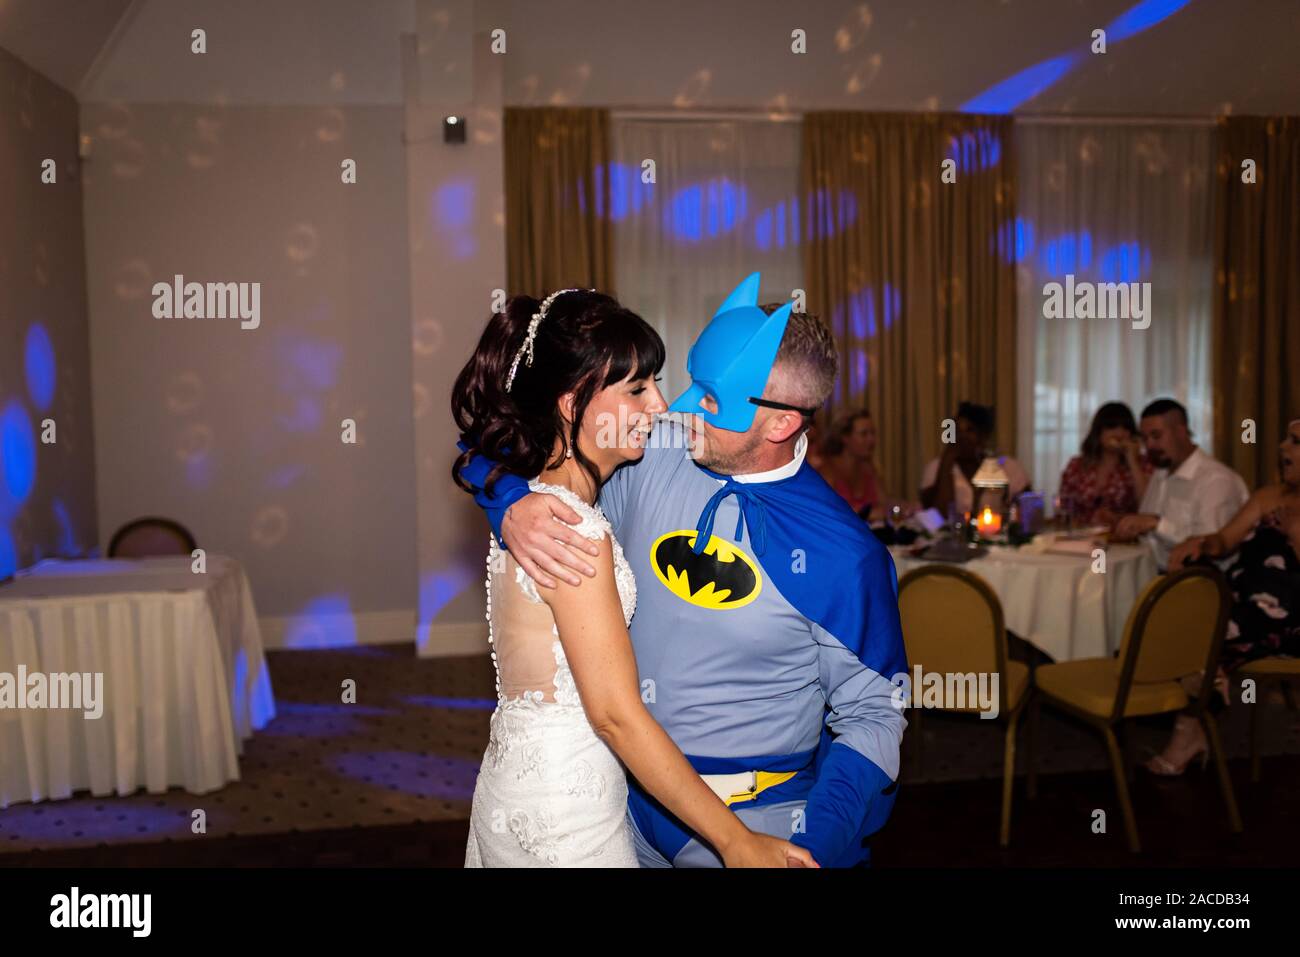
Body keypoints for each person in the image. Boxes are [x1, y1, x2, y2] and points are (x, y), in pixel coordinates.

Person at [458, 273, 908, 868]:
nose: (679, 406)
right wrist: (509, 500)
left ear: (780, 423)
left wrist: (813, 847)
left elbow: (874, 714)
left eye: (714, 398)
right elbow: (513, 444)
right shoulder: (651, 452)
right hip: (620, 800)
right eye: (692, 381)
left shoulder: (846, 556)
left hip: (751, 816)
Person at [1147, 419, 1300, 774]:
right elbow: (1224, 541)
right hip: (1242, 598)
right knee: (1183, 614)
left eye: (1294, 441)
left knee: (1208, 632)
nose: (1281, 447)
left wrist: (1293, 530)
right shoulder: (1267, 496)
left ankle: (1191, 722)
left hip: (1289, 613)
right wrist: (1201, 542)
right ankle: (1200, 699)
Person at [1112, 398, 1248, 569]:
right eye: (1145, 438)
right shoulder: (1161, 471)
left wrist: (1157, 524)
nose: (1149, 445)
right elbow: (1148, 533)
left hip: (1195, 584)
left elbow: (1210, 547)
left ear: (1181, 432)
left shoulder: (1216, 480)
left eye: (1156, 436)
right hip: (1153, 574)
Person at [918, 401, 1030, 517]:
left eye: (969, 430)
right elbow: (939, 516)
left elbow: (1028, 509)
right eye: (957, 431)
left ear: (983, 436)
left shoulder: (1007, 466)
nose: (962, 437)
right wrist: (947, 461)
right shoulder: (936, 467)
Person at [1057, 402, 1152, 526]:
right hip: (1081, 535)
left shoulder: (1143, 464)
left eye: (1125, 428)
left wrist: (1132, 460)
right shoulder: (1076, 465)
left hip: (1125, 537)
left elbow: (1148, 505)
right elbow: (1063, 507)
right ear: (1099, 431)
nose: (1119, 434)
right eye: (1112, 427)